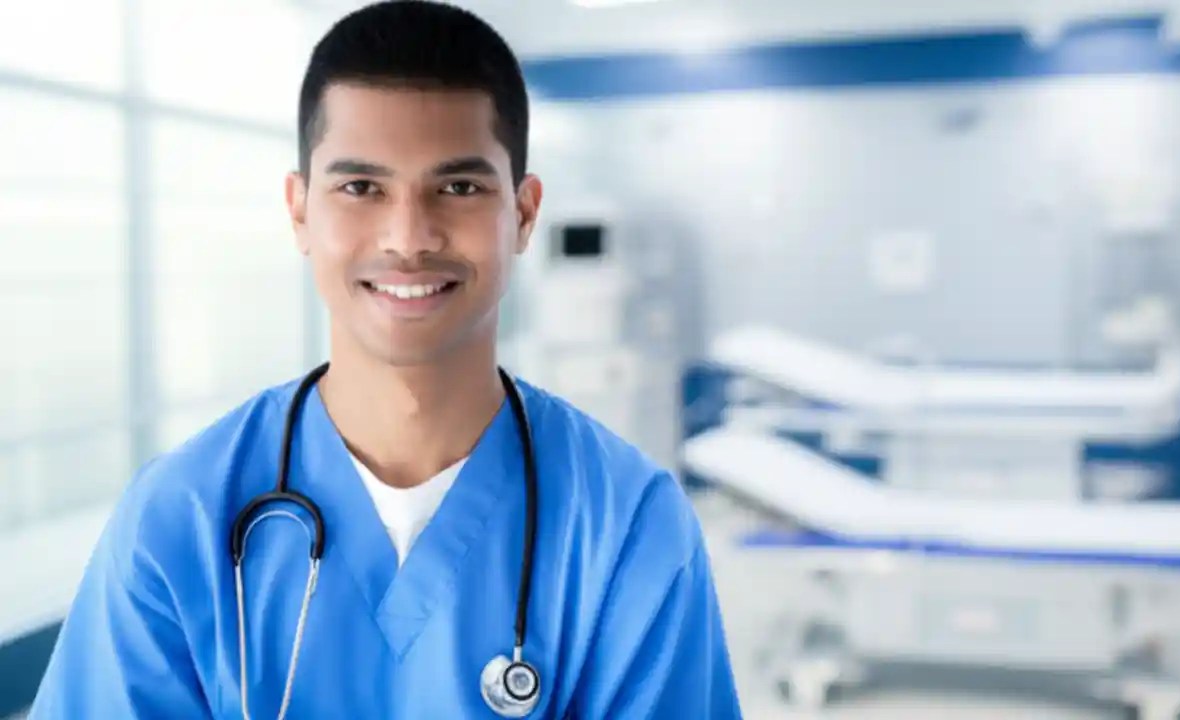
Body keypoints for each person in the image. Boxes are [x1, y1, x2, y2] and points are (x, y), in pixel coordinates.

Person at [29, 1, 742, 717]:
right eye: (361, 187)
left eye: (458, 187)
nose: (408, 236)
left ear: (523, 214)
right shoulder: (178, 520)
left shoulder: (628, 527)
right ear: (300, 210)